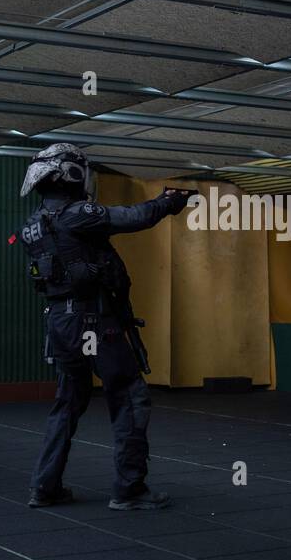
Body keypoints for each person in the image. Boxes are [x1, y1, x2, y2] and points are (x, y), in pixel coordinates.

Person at [18, 143, 190, 511]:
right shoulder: (77, 214)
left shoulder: (34, 224)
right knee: (129, 395)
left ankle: (44, 487)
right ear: (72, 175)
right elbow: (133, 216)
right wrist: (168, 202)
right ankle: (129, 488)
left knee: (66, 404)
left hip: (61, 323)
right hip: (93, 322)